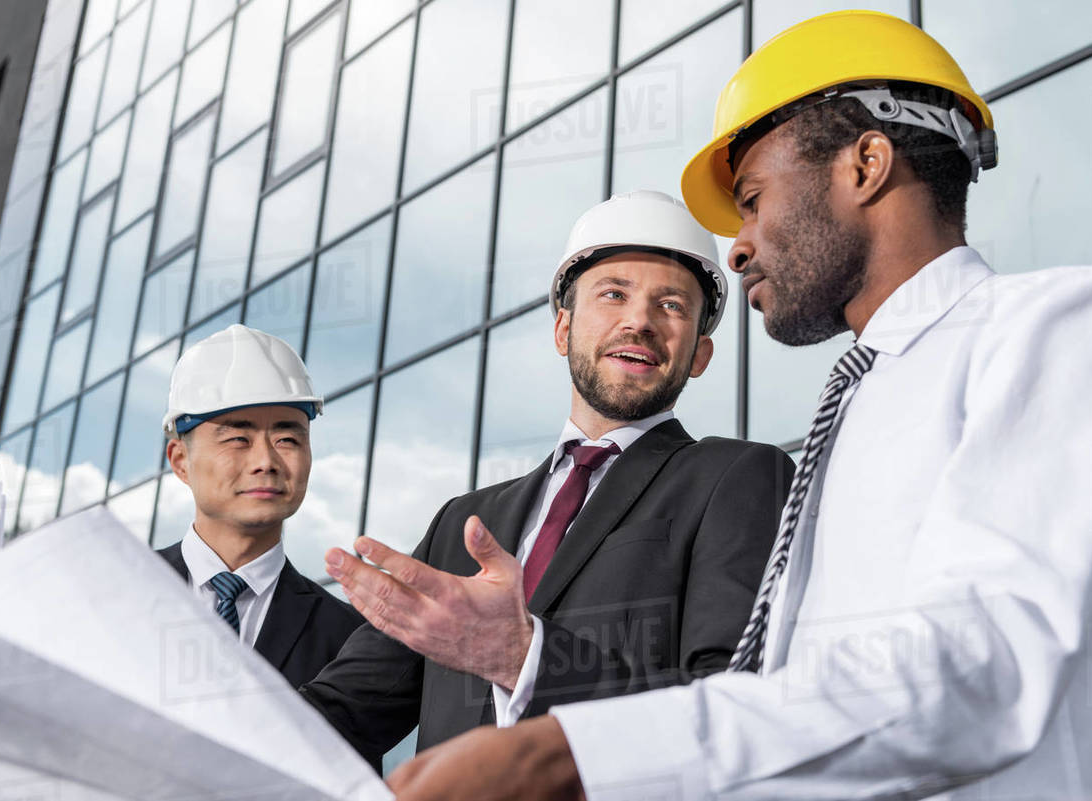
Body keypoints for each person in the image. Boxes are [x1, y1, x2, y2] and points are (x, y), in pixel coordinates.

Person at [384, 11, 1092, 800]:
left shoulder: (1061, 323)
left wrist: (571, 752)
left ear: (865, 164)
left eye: (752, 200)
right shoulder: (854, 411)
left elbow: (980, 663)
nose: (738, 246)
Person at [300, 190, 795, 771]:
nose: (640, 321)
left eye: (672, 306)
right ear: (563, 330)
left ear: (699, 355)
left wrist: (525, 657)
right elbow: (339, 713)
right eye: (614, 294)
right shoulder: (465, 521)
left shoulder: (737, 477)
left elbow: (733, 706)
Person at [157, 324, 362, 688]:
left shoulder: (348, 638)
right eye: (238, 438)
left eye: (287, 439)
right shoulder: (117, 593)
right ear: (180, 461)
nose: (265, 461)